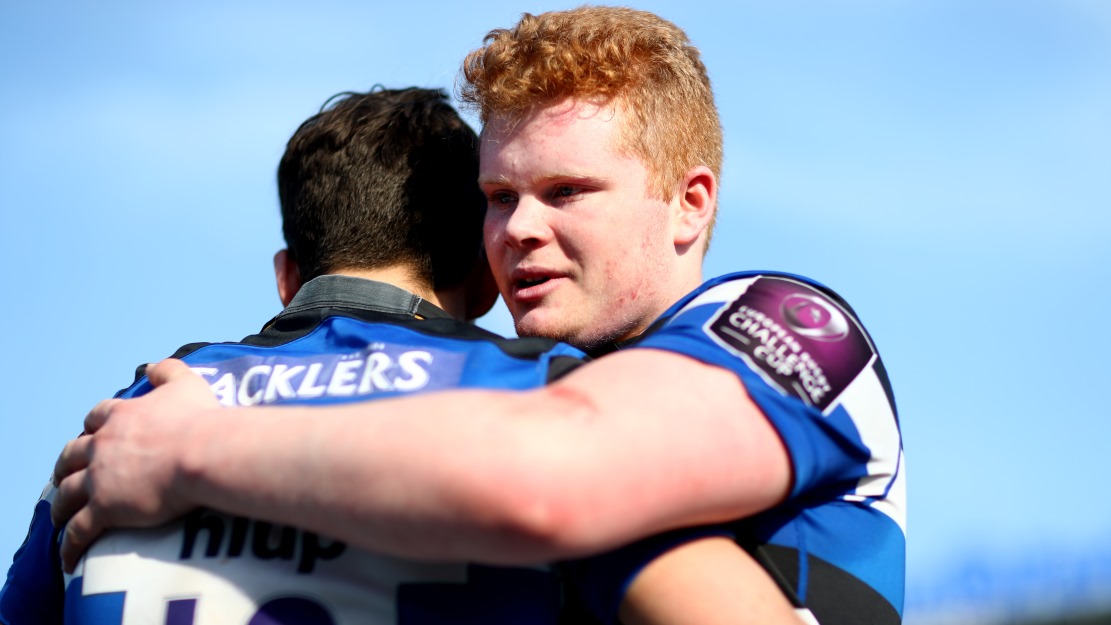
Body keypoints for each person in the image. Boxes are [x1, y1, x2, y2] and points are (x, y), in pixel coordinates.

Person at [51, 6, 906, 624]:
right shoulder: (489, 398)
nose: (518, 228)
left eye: (566, 191)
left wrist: (191, 449)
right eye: (498, 196)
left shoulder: (790, 326)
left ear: (688, 203)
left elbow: (552, 476)